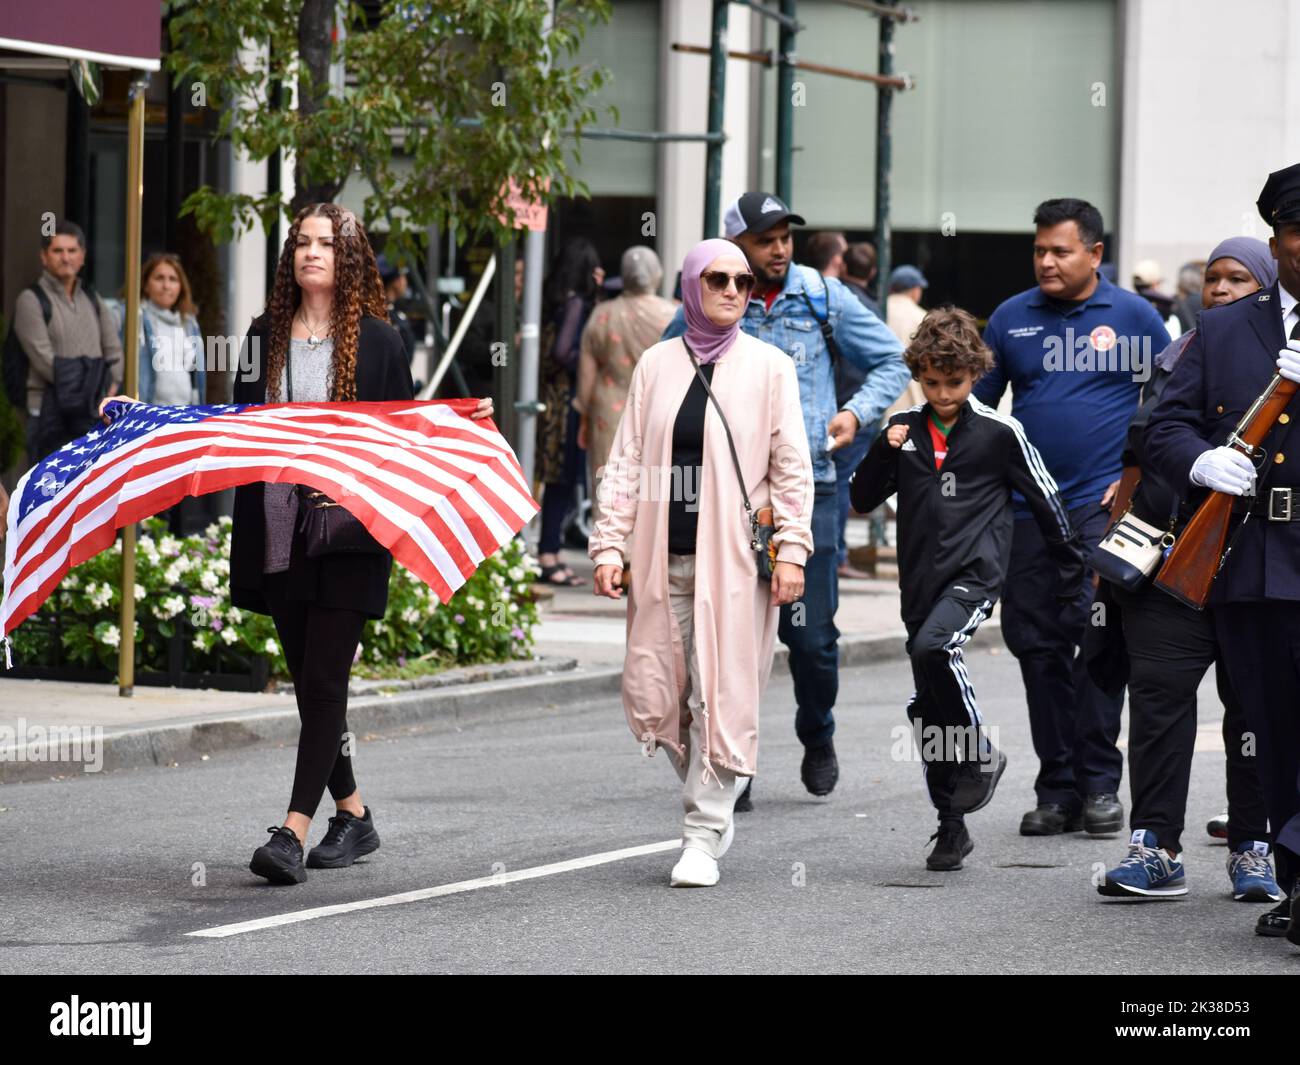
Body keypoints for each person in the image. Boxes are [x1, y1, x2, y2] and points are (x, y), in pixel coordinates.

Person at [96, 203, 496, 885]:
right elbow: (231, 427)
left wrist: (457, 420)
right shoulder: (262, 335)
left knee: (321, 680)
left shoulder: (380, 340)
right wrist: (146, 425)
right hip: (278, 532)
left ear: (350, 258)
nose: (313, 252)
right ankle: (355, 815)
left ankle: (291, 831)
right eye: (303, 243)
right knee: (313, 690)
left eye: (327, 244)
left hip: (348, 533)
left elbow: (403, 432)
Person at [662, 192, 908, 803]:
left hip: (809, 491)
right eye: (766, 238)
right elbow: (664, 370)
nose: (779, 248)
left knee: (811, 637)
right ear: (735, 245)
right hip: (726, 497)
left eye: (785, 237)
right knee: (726, 637)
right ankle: (729, 759)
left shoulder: (822, 297)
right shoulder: (715, 294)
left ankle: (816, 732)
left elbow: (891, 361)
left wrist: (855, 413)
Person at [589, 238, 813, 887]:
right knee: (659, 692)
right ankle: (713, 788)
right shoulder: (657, 364)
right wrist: (609, 542)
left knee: (720, 694)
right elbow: (627, 460)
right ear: (692, 284)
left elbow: (791, 467)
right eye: (719, 279)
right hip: (662, 561)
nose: (734, 291)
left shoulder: (770, 367)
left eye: (745, 283)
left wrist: (793, 547)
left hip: (736, 565)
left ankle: (704, 829)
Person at [852, 308, 1083, 871]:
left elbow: (1048, 503)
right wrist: (885, 447)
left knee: (937, 648)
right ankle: (950, 825)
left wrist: (1073, 578)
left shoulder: (1001, 433)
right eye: (930, 382)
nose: (941, 392)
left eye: (952, 382)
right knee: (930, 709)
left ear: (975, 374)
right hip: (918, 584)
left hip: (975, 576)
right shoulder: (905, 428)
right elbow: (862, 498)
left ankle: (981, 750)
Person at [975, 197, 1170, 838]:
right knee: (1038, 648)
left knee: (1095, 644)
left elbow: (1170, 408)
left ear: (1094, 253)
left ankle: (1099, 785)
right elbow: (974, 410)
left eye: (1060, 250)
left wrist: (1137, 476)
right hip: (1029, 513)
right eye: (1040, 251)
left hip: (1102, 512)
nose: (1047, 262)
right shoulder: (1010, 318)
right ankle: (1055, 787)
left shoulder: (1136, 317)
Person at [1093, 236, 1280, 903]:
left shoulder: (1282, 354)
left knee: (1255, 711)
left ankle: (1254, 848)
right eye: (1216, 280)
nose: (1224, 290)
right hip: (1173, 559)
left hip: (1259, 566)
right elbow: (1147, 435)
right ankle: (1156, 844)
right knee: (1160, 700)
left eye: (1240, 280)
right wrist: (1200, 459)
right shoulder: (1187, 351)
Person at [1145, 163, 1300, 942]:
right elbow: (1165, 428)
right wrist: (1201, 462)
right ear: (1279, 241)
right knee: (1272, 728)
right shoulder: (1225, 328)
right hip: (1252, 558)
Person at [576, 246, 677, 529]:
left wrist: (583, 414)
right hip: (658, 410)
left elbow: (587, 375)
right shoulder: (672, 315)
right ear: (656, 275)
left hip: (608, 411)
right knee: (656, 486)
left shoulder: (602, 314)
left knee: (608, 483)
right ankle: (648, 557)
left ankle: (614, 557)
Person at [12, 219, 122, 464]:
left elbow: (115, 354)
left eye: (72, 251)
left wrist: (105, 395)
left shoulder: (92, 298)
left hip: (92, 416)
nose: (66, 258)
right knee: (48, 497)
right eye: (57, 251)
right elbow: (46, 364)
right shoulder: (31, 300)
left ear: (82, 256)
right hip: (47, 416)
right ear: (44, 256)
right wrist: (95, 384)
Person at [535, 238, 602, 587]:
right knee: (562, 478)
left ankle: (551, 551)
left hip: (553, 398)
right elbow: (563, 351)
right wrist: (591, 363)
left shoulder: (556, 300)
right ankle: (549, 554)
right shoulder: (577, 303)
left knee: (557, 480)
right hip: (566, 401)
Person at [834, 242, 887, 580]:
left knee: (835, 484)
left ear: (843, 267)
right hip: (859, 410)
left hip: (835, 404)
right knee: (842, 485)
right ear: (871, 273)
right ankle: (837, 556)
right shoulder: (870, 308)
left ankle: (833, 554)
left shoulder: (834, 302)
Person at [132, 253, 206, 406]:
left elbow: (196, 376)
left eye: (173, 279)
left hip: (184, 413)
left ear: (181, 287)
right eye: (159, 278)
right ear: (145, 285)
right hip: (149, 414)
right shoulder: (134, 317)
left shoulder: (189, 323)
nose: (166, 286)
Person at [375, 254, 418, 364]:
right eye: (403, 276)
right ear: (396, 281)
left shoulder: (394, 313)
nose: (405, 282)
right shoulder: (385, 318)